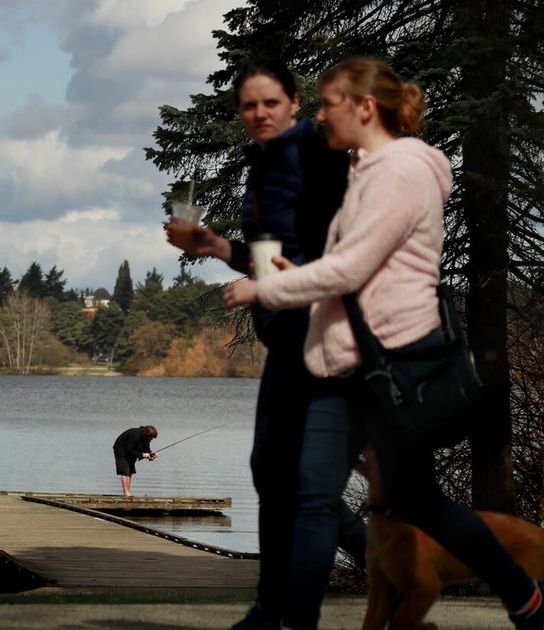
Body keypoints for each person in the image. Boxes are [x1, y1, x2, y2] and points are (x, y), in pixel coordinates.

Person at [223, 56, 544, 630]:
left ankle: (529, 599)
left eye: (329, 103)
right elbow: (344, 262)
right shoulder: (362, 170)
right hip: (348, 358)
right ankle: (531, 602)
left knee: (397, 501)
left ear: (364, 107)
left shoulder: (400, 173)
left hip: (391, 363)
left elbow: (352, 269)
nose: (321, 115)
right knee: (341, 497)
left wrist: (267, 286)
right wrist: (282, 264)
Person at [167, 57, 367, 630]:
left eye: (270, 103)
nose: (258, 113)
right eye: (249, 105)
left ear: (295, 103)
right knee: (274, 472)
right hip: (286, 332)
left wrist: (265, 286)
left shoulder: (315, 155)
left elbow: (334, 249)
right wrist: (214, 244)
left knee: (301, 484)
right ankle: (278, 603)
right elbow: (271, 249)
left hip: (321, 329)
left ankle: (282, 609)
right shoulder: (266, 160)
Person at [113, 425, 158, 496]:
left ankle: (128, 492)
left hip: (132, 451)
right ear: (147, 435)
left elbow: (146, 447)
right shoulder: (135, 435)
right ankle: (126, 493)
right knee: (125, 471)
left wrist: (150, 453)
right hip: (121, 450)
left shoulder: (145, 438)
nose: (151, 440)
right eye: (151, 438)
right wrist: (142, 455)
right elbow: (129, 449)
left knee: (130, 471)